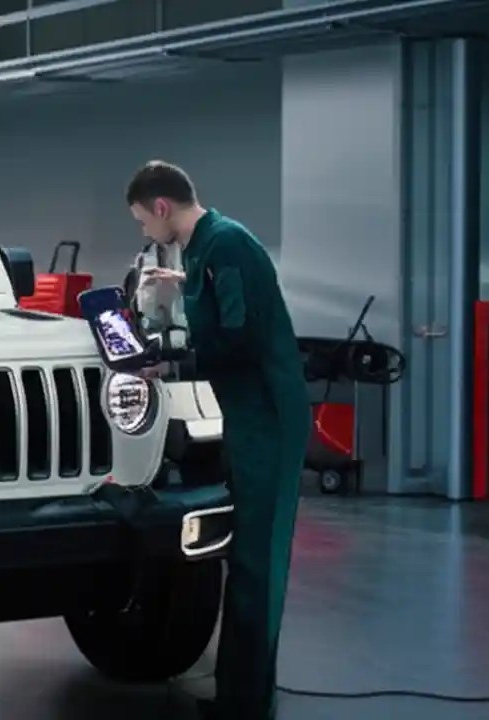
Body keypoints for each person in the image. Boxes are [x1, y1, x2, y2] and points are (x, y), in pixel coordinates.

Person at [125, 160, 310, 720]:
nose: (145, 232)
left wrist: (171, 364)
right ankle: (237, 695)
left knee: (259, 562)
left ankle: (247, 705)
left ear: (162, 206)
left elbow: (238, 336)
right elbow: (223, 300)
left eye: (142, 221)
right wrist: (180, 286)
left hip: (268, 417)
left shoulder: (226, 243)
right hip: (247, 416)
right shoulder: (202, 248)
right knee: (245, 558)